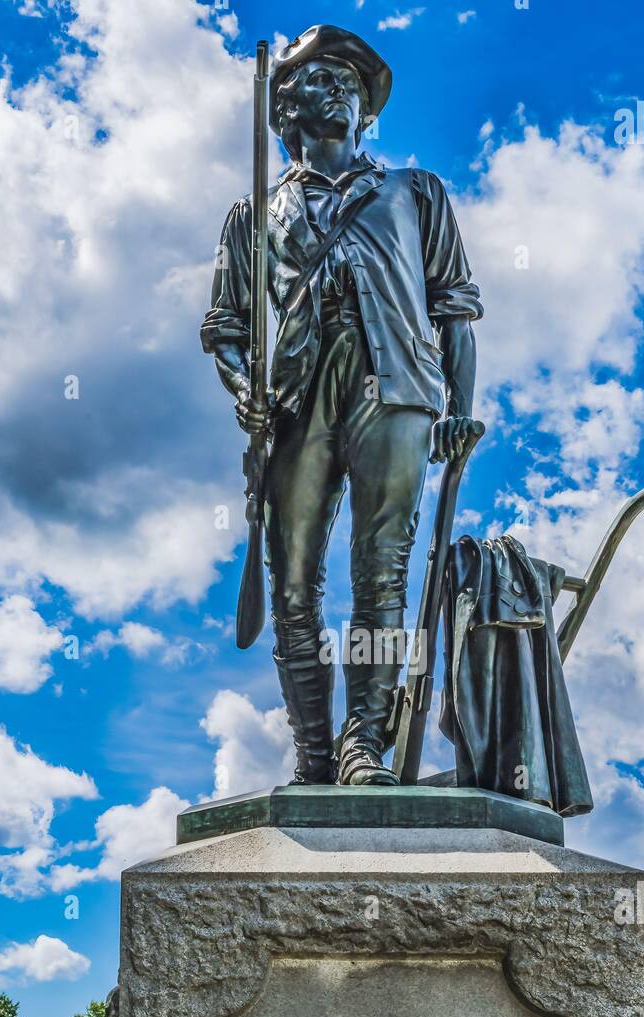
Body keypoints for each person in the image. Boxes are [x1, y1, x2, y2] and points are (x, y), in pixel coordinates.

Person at [202, 25, 483, 786]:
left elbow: (453, 308)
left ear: (365, 110)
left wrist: (459, 406)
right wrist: (244, 393)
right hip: (295, 404)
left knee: (381, 573)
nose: (340, 90)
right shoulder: (252, 214)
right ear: (287, 106)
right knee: (293, 582)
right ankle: (315, 752)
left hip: (395, 390)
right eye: (321, 79)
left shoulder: (416, 194)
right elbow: (226, 330)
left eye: (351, 84)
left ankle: (366, 745)